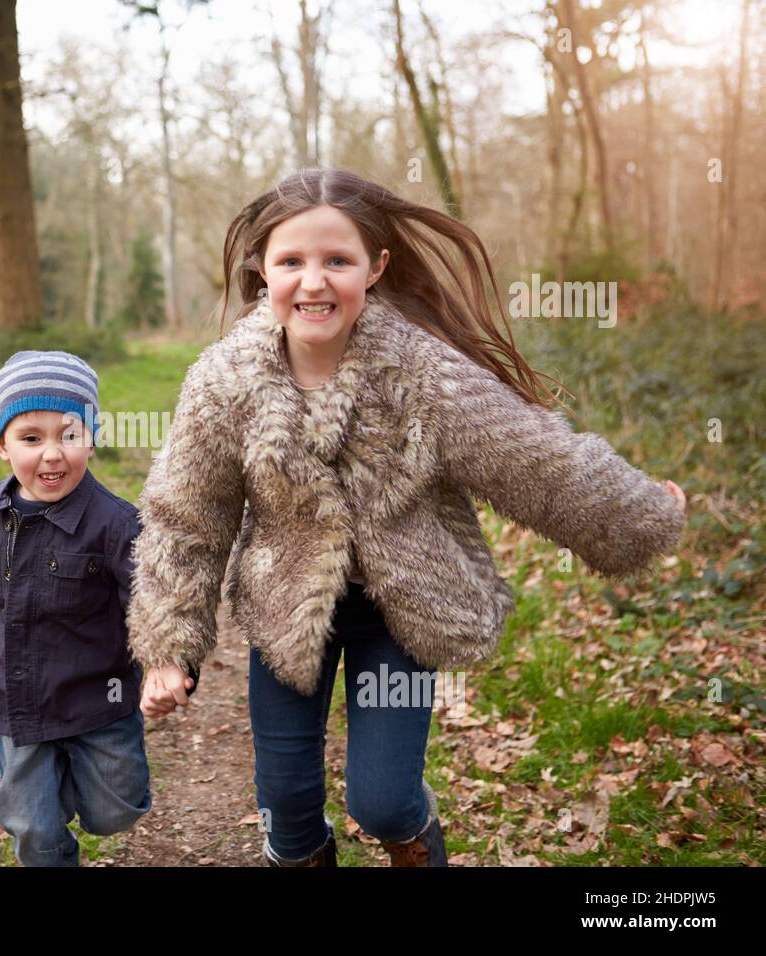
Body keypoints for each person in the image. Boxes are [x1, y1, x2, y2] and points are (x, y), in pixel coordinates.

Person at [127, 167, 687, 867]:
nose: (314, 281)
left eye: (338, 260)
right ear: (261, 270)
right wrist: (170, 647)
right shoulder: (224, 382)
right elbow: (186, 517)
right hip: (285, 608)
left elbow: (538, 460)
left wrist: (642, 512)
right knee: (287, 808)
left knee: (383, 801)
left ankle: (416, 839)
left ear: (376, 267)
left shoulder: (423, 373)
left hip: (402, 609)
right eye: (291, 261)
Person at [0, 350, 192, 866]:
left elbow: (152, 602)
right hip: (17, 702)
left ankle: (73, 785)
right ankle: (45, 814)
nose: (52, 454)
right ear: (2, 445)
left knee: (116, 812)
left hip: (98, 702)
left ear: (92, 436)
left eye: (69, 434)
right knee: (34, 831)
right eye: (31, 438)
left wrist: (164, 663)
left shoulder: (116, 524)